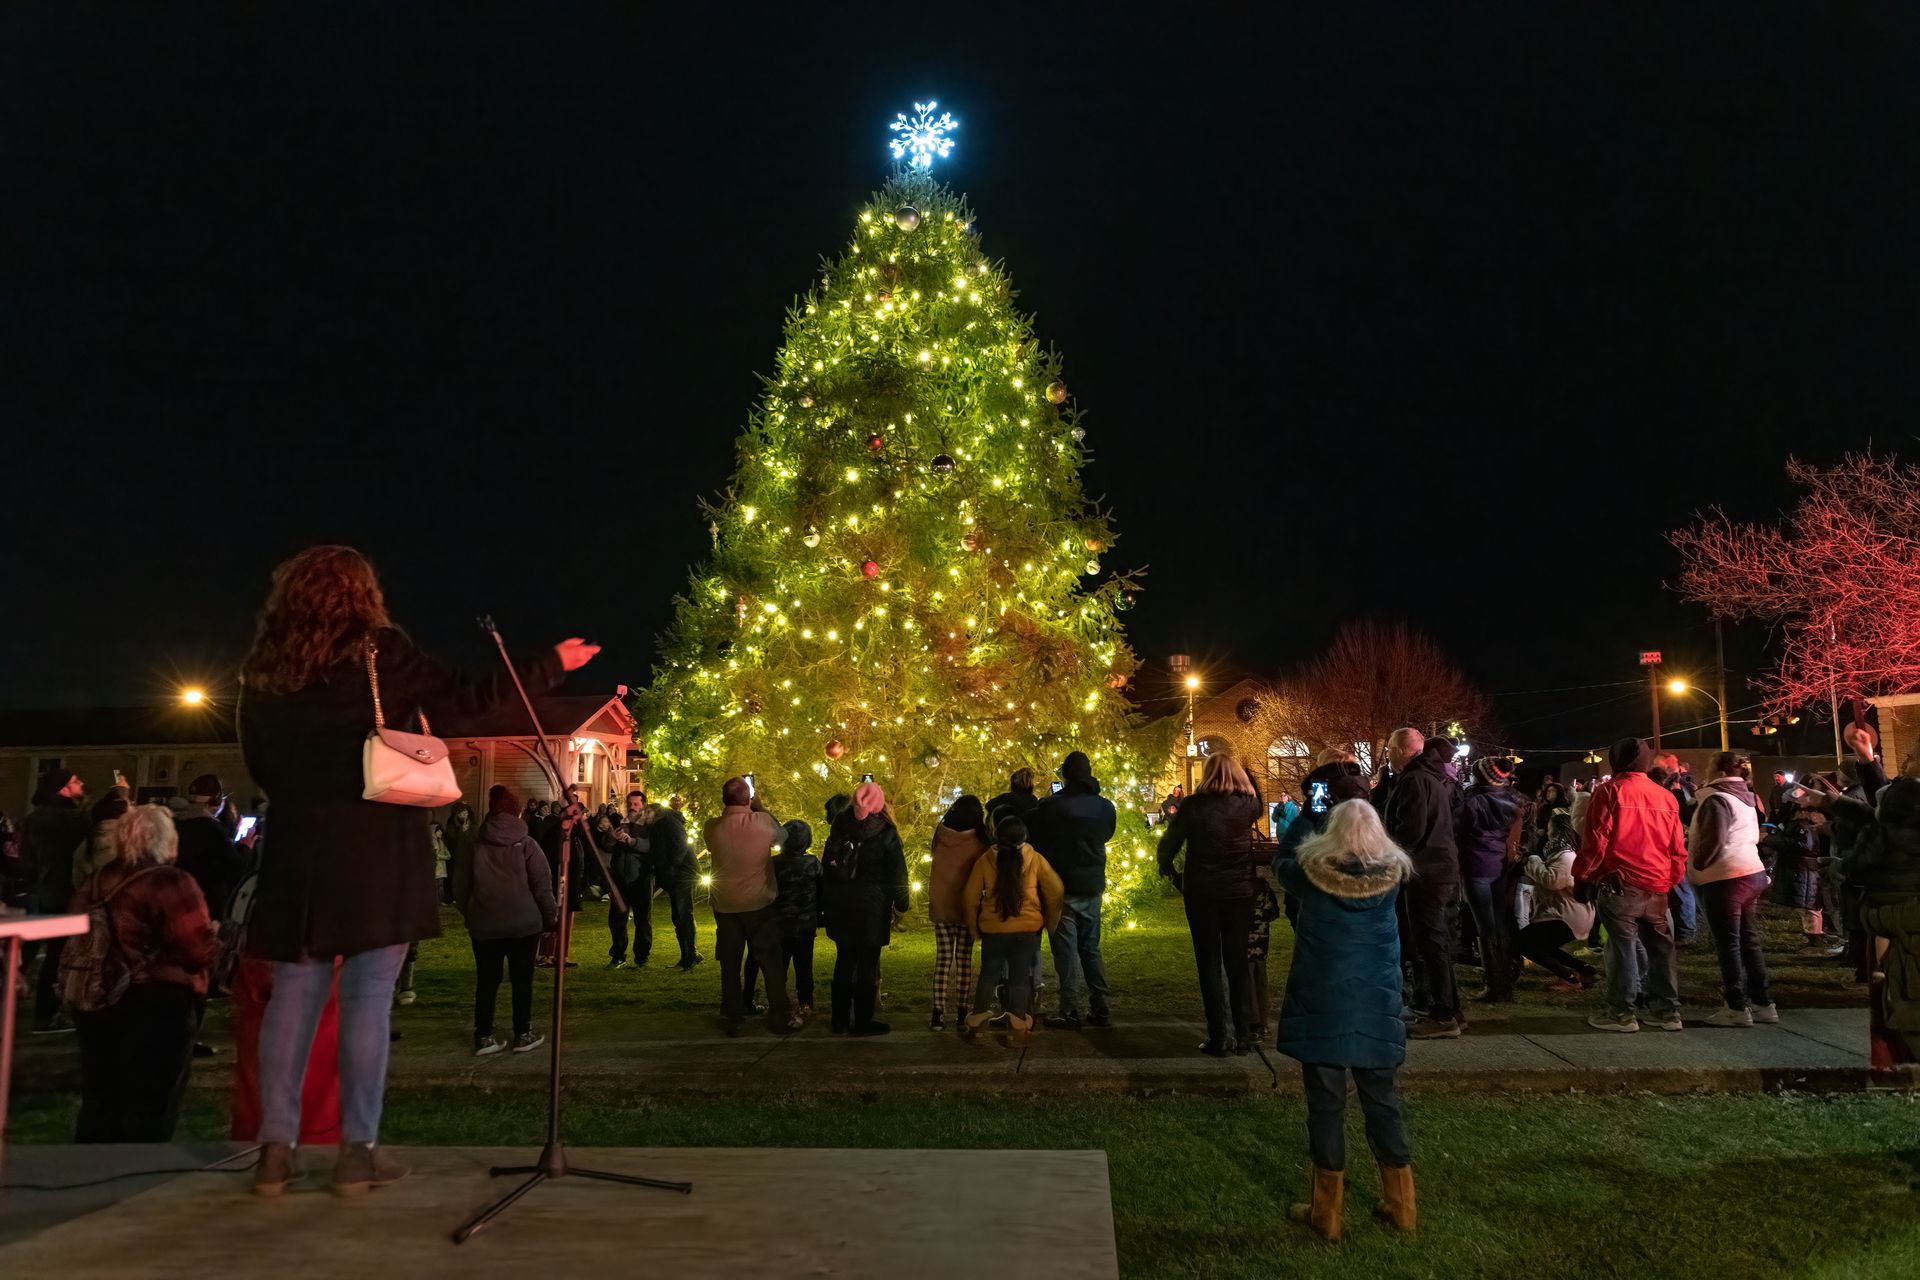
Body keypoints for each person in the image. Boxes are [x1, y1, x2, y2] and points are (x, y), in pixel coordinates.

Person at [238, 544, 595, 1196]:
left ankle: (274, 1154)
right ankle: (356, 1153)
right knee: (368, 1001)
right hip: (377, 851)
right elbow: (469, 699)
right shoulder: (380, 652)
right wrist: (551, 663)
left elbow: (258, 761)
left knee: (292, 1001)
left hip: (296, 852)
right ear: (363, 594)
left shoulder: (264, 669)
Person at [1273, 799, 1416, 1243]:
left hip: (1324, 1004)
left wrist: (1303, 821)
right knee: (1383, 1103)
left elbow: (1282, 861)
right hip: (1376, 1004)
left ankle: (1327, 1211)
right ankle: (1401, 1205)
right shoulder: (1391, 880)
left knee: (1326, 1108)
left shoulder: (1311, 877)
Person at [69, 803, 217, 1143]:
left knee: (101, 1096)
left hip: (97, 997)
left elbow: (75, 928)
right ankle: (136, 1177)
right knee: (151, 1102)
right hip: (157, 1001)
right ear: (167, 842)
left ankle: (89, 1173)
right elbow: (195, 949)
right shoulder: (171, 882)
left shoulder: (98, 880)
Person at [1574, 737, 1689, 1034]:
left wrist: (1584, 876)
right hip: (1658, 884)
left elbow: (1596, 840)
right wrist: (1672, 878)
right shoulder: (1665, 797)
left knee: (1622, 948)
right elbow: (1677, 847)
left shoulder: (1610, 791)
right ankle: (1667, 1012)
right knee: (1662, 950)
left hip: (1621, 883)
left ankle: (1622, 1013)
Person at [1157, 753, 1264, 1056]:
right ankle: (1243, 1034)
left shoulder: (1193, 806)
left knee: (1209, 964)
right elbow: (1256, 795)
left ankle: (1219, 1035)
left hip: (1202, 893)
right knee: (1238, 963)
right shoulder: (1247, 805)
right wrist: (1246, 772)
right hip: (1239, 893)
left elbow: (1169, 843)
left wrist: (1169, 870)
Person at [1821, 756, 1920, 1066]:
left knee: (1900, 995)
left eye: (1914, 756)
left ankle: (1898, 1063)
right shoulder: (1903, 807)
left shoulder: (1896, 819)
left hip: (1896, 912)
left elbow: (1871, 844)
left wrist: (1840, 869)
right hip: (1899, 911)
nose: (1907, 762)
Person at [454, 785, 554, 1055]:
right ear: (517, 810)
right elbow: (542, 885)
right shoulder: (528, 843)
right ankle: (523, 1033)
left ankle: (483, 1035)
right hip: (524, 923)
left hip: (485, 924)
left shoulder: (472, 841)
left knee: (487, 980)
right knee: (523, 980)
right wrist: (549, 918)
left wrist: (471, 913)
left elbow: (460, 886)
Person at [1382, 728, 1464, 1039]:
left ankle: (1443, 1015)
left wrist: (1386, 849)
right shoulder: (1432, 776)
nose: (1387, 754)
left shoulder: (1415, 779)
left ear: (1402, 750)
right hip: (1441, 868)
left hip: (1426, 872)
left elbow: (1411, 830)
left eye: (1389, 748)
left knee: (1430, 942)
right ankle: (1450, 1009)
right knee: (1438, 941)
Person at [1028, 750, 1118, 1031]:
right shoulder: (1105, 808)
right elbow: (1106, 835)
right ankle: (1100, 1005)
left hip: (1061, 886)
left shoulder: (1052, 807)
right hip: (1092, 884)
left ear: (1065, 775)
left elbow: (1036, 835)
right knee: (1090, 946)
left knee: (1065, 949)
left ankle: (1069, 1009)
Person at [1687, 751, 1775, 1027]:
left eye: (1710, 766)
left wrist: (1698, 865)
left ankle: (1736, 1007)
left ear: (1722, 772)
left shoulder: (1717, 798)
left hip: (1725, 877)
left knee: (1728, 945)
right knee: (1748, 942)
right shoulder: (1745, 797)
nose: (1706, 770)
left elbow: (1713, 840)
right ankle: (1763, 1003)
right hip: (1750, 872)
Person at [703, 777, 795, 1035]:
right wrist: (761, 807)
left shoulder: (712, 827)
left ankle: (733, 1015)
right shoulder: (762, 822)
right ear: (749, 799)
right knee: (770, 961)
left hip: (725, 905)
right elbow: (783, 835)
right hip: (759, 902)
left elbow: (712, 844)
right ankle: (779, 1013)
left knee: (730, 962)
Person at [961, 815, 1064, 1044]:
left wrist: (974, 927)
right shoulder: (1035, 859)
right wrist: (1050, 922)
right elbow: (1056, 890)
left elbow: (969, 898)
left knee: (988, 976)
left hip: (993, 930)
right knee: (1019, 978)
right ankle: (1016, 1029)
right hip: (1026, 930)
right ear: (1024, 836)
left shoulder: (985, 861)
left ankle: (978, 1026)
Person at [820, 780, 909, 1036]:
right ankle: (862, 1021)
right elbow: (897, 874)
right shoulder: (886, 832)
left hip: (842, 904)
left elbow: (828, 866)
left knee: (844, 961)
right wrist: (901, 904)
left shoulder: (839, 827)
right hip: (873, 906)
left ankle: (838, 1019)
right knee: (868, 964)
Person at [21, 766, 90, 1034]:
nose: (81, 783)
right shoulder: (72, 819)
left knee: (55, 953)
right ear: (63, 789)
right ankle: (52, 1012)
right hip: (70, 892)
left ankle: (47, 1011)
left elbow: (27, 859)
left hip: (48, 891)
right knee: (65, 954)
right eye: (75, 781)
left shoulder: (35, 818)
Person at [1456, 757, 1527, 1004]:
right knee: (1499, 923)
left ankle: (1494, 984)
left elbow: (1458, 830)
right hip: (1501, 866)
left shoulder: (1471, 801)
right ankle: (1505, 979)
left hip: (1476, 866)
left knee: (1484, 926)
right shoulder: (1514, 801)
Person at [746, 818, 823, 1019]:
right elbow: (822, 890)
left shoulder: (773, 864)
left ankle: (778, 1003)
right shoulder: (813, 864)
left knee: (779, 967)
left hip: (778, 925)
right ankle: (806, 1003)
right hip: (805, 925)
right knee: (804, 966)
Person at [927, 794, 990, 1030]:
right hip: (965, 907)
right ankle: (963, 1011)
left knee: (943, 960)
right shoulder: (980, 841)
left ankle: (938, 1013)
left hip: (941, 904)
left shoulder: (940, 834)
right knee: (964, 961)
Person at [1517, 812, 1600, 989]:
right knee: (1543, 945)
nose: (1547, 834)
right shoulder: (1563, 853)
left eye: (1549, 829)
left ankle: (1569, 977)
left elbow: (1552, 881)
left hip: (1566, 915)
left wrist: (1533, 860)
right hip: (1567, 913)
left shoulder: (1565, 856)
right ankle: (1584, 970)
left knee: (1523, 942)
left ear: (1558, 831)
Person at [174, 774, 244, 924]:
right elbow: (235, 870)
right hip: (207, 909)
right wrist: (245, 847)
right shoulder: (213, 830)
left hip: (178, 904)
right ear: (216, 800)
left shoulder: (175, 824)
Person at [649, 800, 701, 969]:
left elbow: (680, 845)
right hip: (675, 874)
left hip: (682, 874)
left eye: (647, 813)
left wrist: (672, 867)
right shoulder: (661, 824)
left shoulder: (668, 823)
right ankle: (688, 953)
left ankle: (690, 954)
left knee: (683, 913)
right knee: (679, 915)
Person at [607, 790, 655, 969]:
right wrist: (611, 838)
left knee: (642, 920)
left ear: (643, 805)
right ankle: (618, 955)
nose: (632, 808)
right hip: (620, 879)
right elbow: (606, 844)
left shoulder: (649, 826)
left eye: (636, 804)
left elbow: (651, 847)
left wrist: (632, 841)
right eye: (630, 804)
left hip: (640, 878)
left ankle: (642, 956)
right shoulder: (621, 822)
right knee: (617, 919)